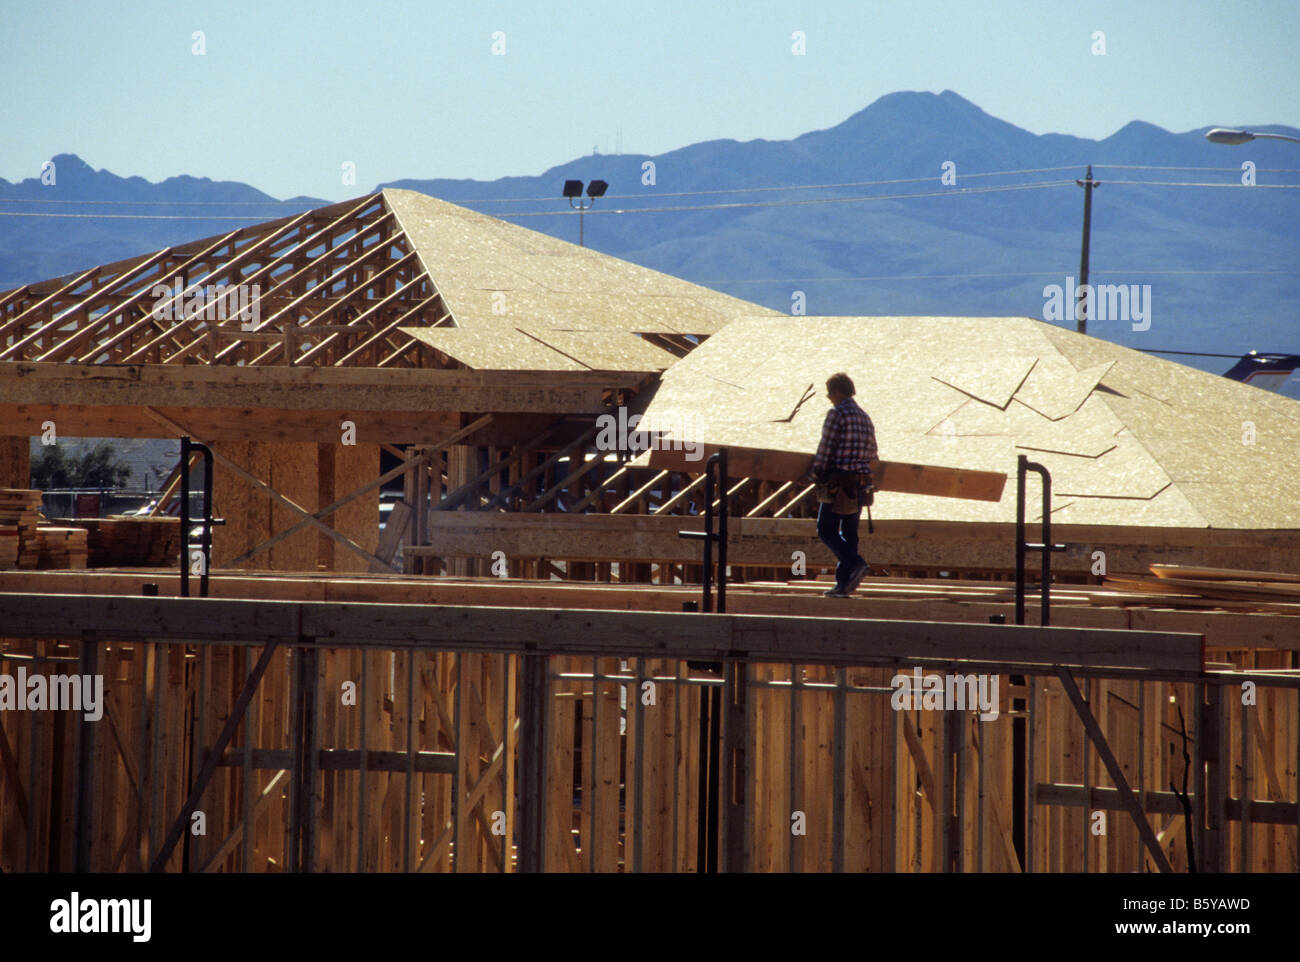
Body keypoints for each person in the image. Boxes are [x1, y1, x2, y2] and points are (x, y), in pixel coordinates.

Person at [798, 372, 878, 598]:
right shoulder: (864, 417)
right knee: (850, 533)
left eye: (829, 394)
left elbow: (825, 450)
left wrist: (812, 476)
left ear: (836, 392)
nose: (828, 398)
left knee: (826, 529)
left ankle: (856, 564)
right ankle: (844, 585)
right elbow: (874, 454)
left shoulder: (836, 413)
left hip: (840, 483)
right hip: (860, 484)